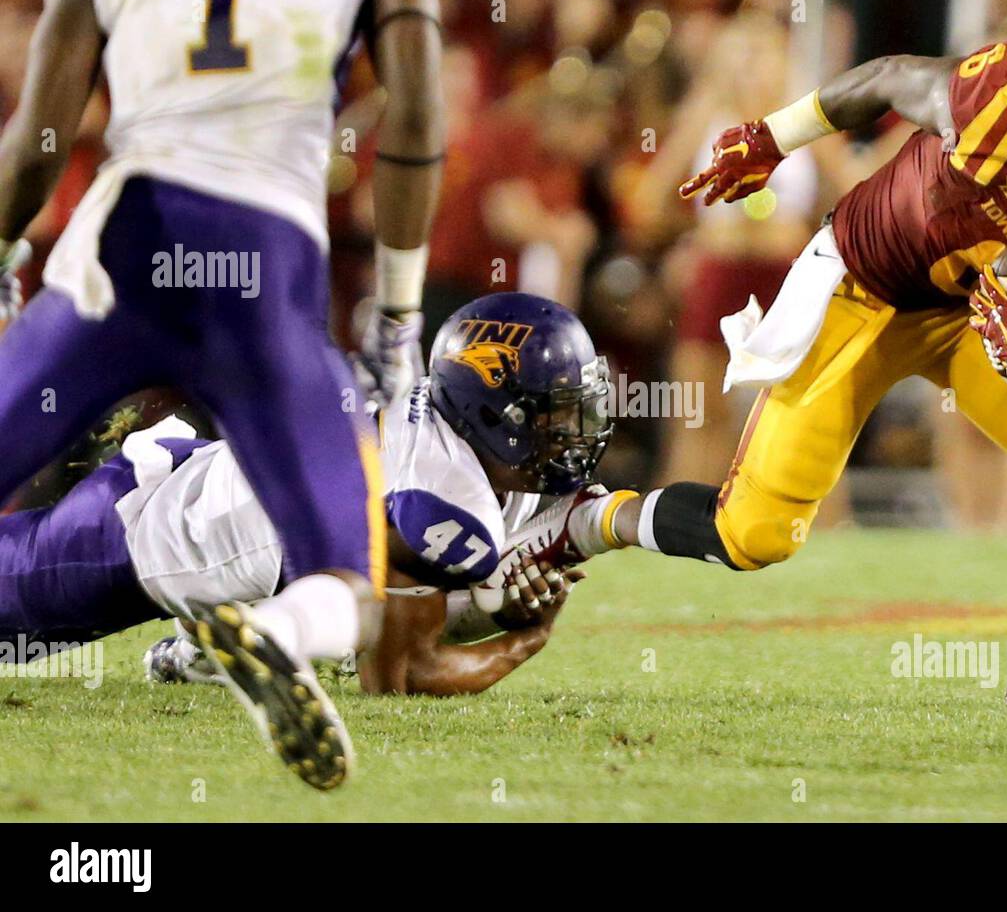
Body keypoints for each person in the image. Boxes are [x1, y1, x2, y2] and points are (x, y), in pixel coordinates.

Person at [562, 38, 1007, 711]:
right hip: (868, 282)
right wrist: (774, 137)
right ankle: (591, 519)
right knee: (752, 536)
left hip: (980, 322)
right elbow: (891, 76)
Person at [0, 0, 445, 787]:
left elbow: (35, 147)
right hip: (263, 274)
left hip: (122, 262)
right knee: (350, 586)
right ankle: (275, 631)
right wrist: (400, 313)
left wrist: (2, 258)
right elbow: (415, 122)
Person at [0, 293, 609, 705]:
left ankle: (201, 649)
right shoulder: (442, 502)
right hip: (128, 543)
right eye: (553, 415)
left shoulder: (435, 432)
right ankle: (208, 646)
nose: (568, 434)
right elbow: (399, 676)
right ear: (492, 409)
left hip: (179, 505)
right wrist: (527, 637)